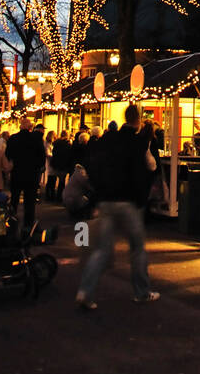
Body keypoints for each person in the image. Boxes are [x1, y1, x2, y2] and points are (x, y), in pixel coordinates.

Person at [75, 102, 159, 309]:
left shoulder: (107, 139)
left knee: (101, 250)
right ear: (138, 119)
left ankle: (85, 291)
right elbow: (150, 166)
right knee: (137, 248)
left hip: (106, 199)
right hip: (128, 200)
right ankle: (142, 291)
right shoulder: (138, 142)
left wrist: (97, 189)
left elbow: (92, 163)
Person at [5, 117, 46, 230]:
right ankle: (28, 224)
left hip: (17, 172)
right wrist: (38, 167)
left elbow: (8, 154)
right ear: (30, 127)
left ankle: (11, 221)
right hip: (31, 173)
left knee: (14, 198)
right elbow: (42, 156)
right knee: (30, 201)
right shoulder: (36, 139)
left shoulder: (13, 138)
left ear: (20, 126)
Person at [51, 133, 73, 202]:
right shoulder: (67, 144)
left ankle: (53, 195)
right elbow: (68, 154)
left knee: (55, 180)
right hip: (63, 164)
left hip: (56, 164)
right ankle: (60, 196)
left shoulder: (56, 143)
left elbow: (53, 152)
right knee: (62, 181)